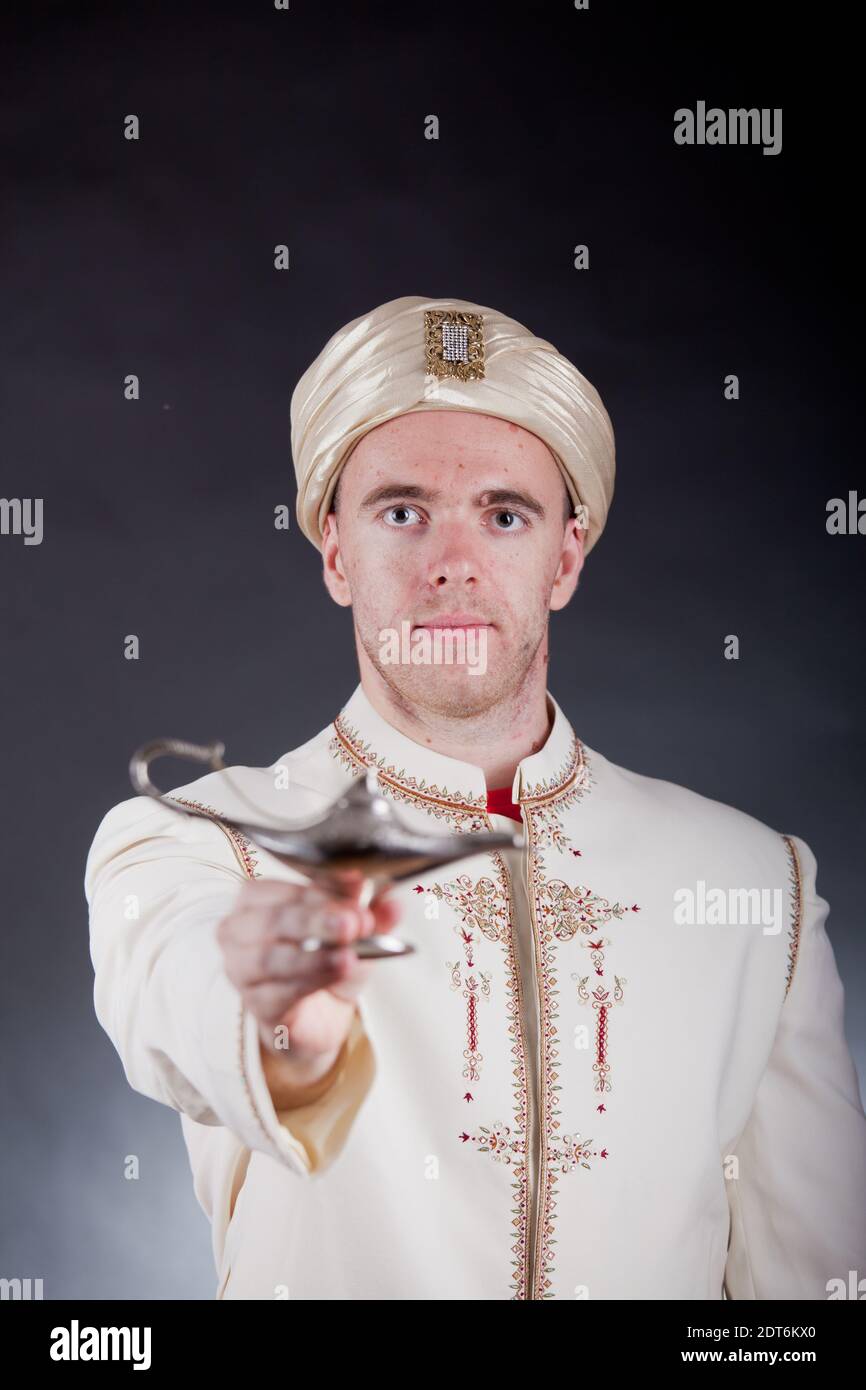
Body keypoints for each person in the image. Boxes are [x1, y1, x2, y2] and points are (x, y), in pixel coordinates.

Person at [85, 295, 866, 1300]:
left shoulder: (755, 884)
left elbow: (815, 1287)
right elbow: (174, 980)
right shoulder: (195, 838)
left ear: (565, 557)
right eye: (401, 511)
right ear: (334, 550)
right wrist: (279, 1026)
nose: (452, 562)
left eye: (503, 514)